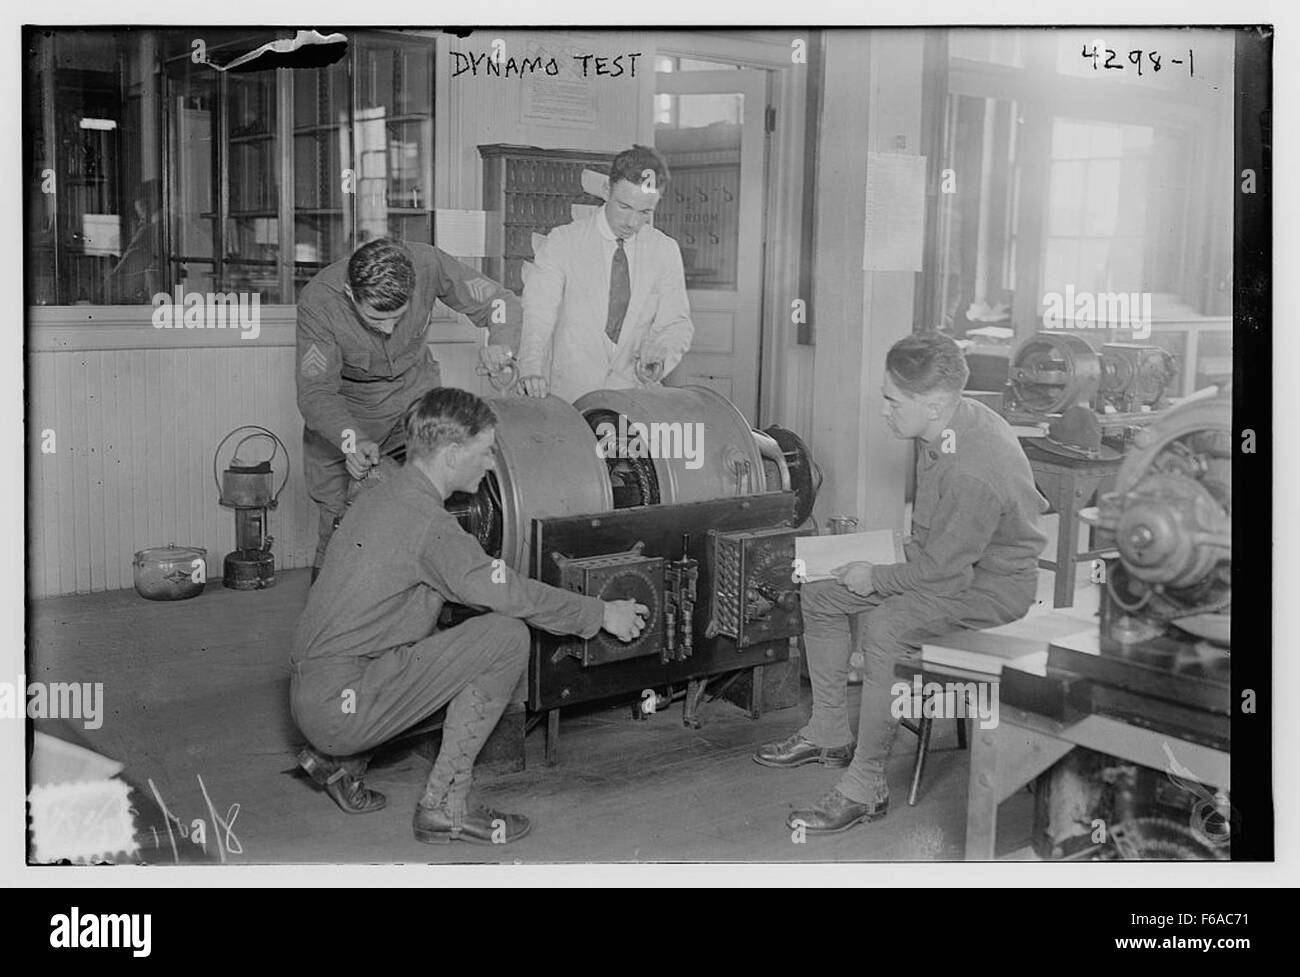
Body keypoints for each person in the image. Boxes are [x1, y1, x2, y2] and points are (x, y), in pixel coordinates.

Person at [290, 387, 649, 845]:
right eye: (484, 452)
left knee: (437, 634)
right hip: (341, 709)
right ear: (452, 453)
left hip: (314, 692)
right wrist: (599, 613)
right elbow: (510, 594)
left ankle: (341, 764)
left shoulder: (383, 491)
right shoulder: (432, 528)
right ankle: (445, 808)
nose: (490, 464)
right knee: (504, 637)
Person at [754, 333, 1048, 834]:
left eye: (893, 400)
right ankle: (829, 731)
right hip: (949, 559)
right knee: (821, 591)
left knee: (887, 628)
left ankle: (865, 785)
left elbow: (945, 573)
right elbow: (933, 546)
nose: (884, 410)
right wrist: (871, 565)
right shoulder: (941, 428)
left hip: (992, 584)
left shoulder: (974, 467)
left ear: (933, 405)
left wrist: (876, 577)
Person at [296, 237, 521, 581]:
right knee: (342, 521)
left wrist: (501, 347)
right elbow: (316, 392)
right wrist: (351, 441)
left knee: (432, 507)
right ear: (349, 292)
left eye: (397, 318)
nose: (387, 330)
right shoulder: (319, 301)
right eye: (374, 318)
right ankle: (331, 616)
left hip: (415, 401)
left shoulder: (428, 264)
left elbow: (498, 301)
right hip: (348, 414)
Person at [517, 144, 694, 402]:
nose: (633, 223)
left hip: (633, 397)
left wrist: (661, 351)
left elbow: (677, 323)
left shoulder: (664, 250)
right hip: (569, 398)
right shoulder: (563, 241)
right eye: (624, 207)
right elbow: (538, 314)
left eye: (645, 212)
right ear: (606, 191)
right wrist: (531, 368)